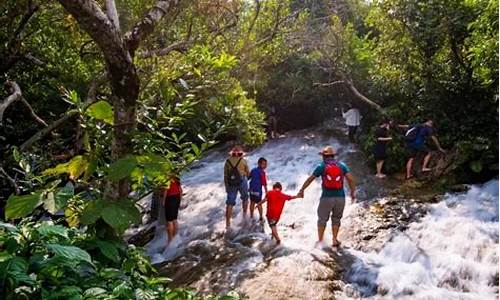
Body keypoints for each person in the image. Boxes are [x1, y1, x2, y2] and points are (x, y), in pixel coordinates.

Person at [298, 146, 356, 248]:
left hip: (326, 197)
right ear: (333, 156)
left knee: (322, 219)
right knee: (336, 218)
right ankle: (334, 240)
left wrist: (302, 190)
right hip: (340, 198)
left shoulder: (321, 166)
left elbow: (310, 179)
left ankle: (320, 241)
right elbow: (350, 179)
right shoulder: (342, 165)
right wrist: (352, 193)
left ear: (324, 156)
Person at [224, 145, 250, 228]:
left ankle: (227, 223)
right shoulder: (243, 161)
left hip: (231, 183)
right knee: (245, 198)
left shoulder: (227, 161)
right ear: (241, 153)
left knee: (230, 202)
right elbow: (248, 173)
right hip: (242, 180)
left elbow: (225, 175)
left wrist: (226, 186)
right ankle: (244, 217)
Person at [161, 176, 182, 246]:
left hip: (170, 199)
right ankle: (175, 236)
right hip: (177, 198)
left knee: (169, 220)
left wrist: (163, 202)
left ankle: (170, 239)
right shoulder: (176, 179)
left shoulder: (167, 179)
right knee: (174, 219)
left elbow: (165, 191)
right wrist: (180, 200)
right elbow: (181, 190)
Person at [248, 157, 268, 222]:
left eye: (265, 164)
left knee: (252, 202)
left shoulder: (253, 170)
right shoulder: (262, 172)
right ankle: (261, 217)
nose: (265, 166)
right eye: (263, 164)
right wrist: (267, 192)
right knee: (259, 203)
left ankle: (251, 216)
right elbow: (264, 183)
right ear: (259, 164)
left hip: (251, 190)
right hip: (257, 191)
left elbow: (248, 178)